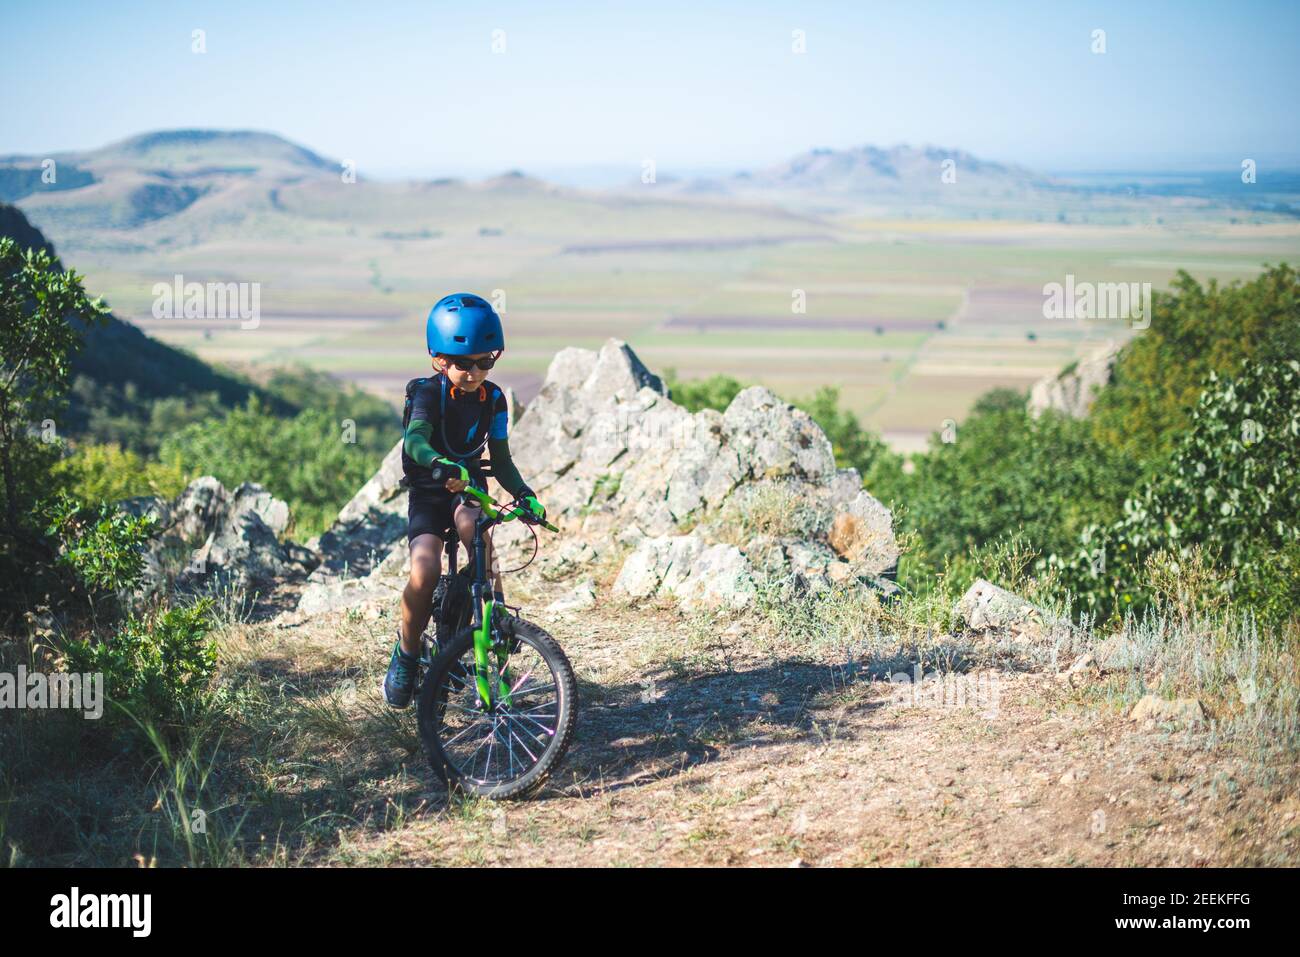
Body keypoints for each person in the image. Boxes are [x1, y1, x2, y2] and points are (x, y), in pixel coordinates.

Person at [382, 293, 546, 708]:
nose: (474, 372)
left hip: (469, 487)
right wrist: (440, 464)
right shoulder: (426, 394)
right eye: (462, 363)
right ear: (439, 360)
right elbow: (415, 440)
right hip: (430, 490)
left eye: (485, 361)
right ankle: (407, 651)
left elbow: (502, 462)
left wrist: (525, 494)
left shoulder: (494, 400)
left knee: (478, 531)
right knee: (424, 570)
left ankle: (497, 622)